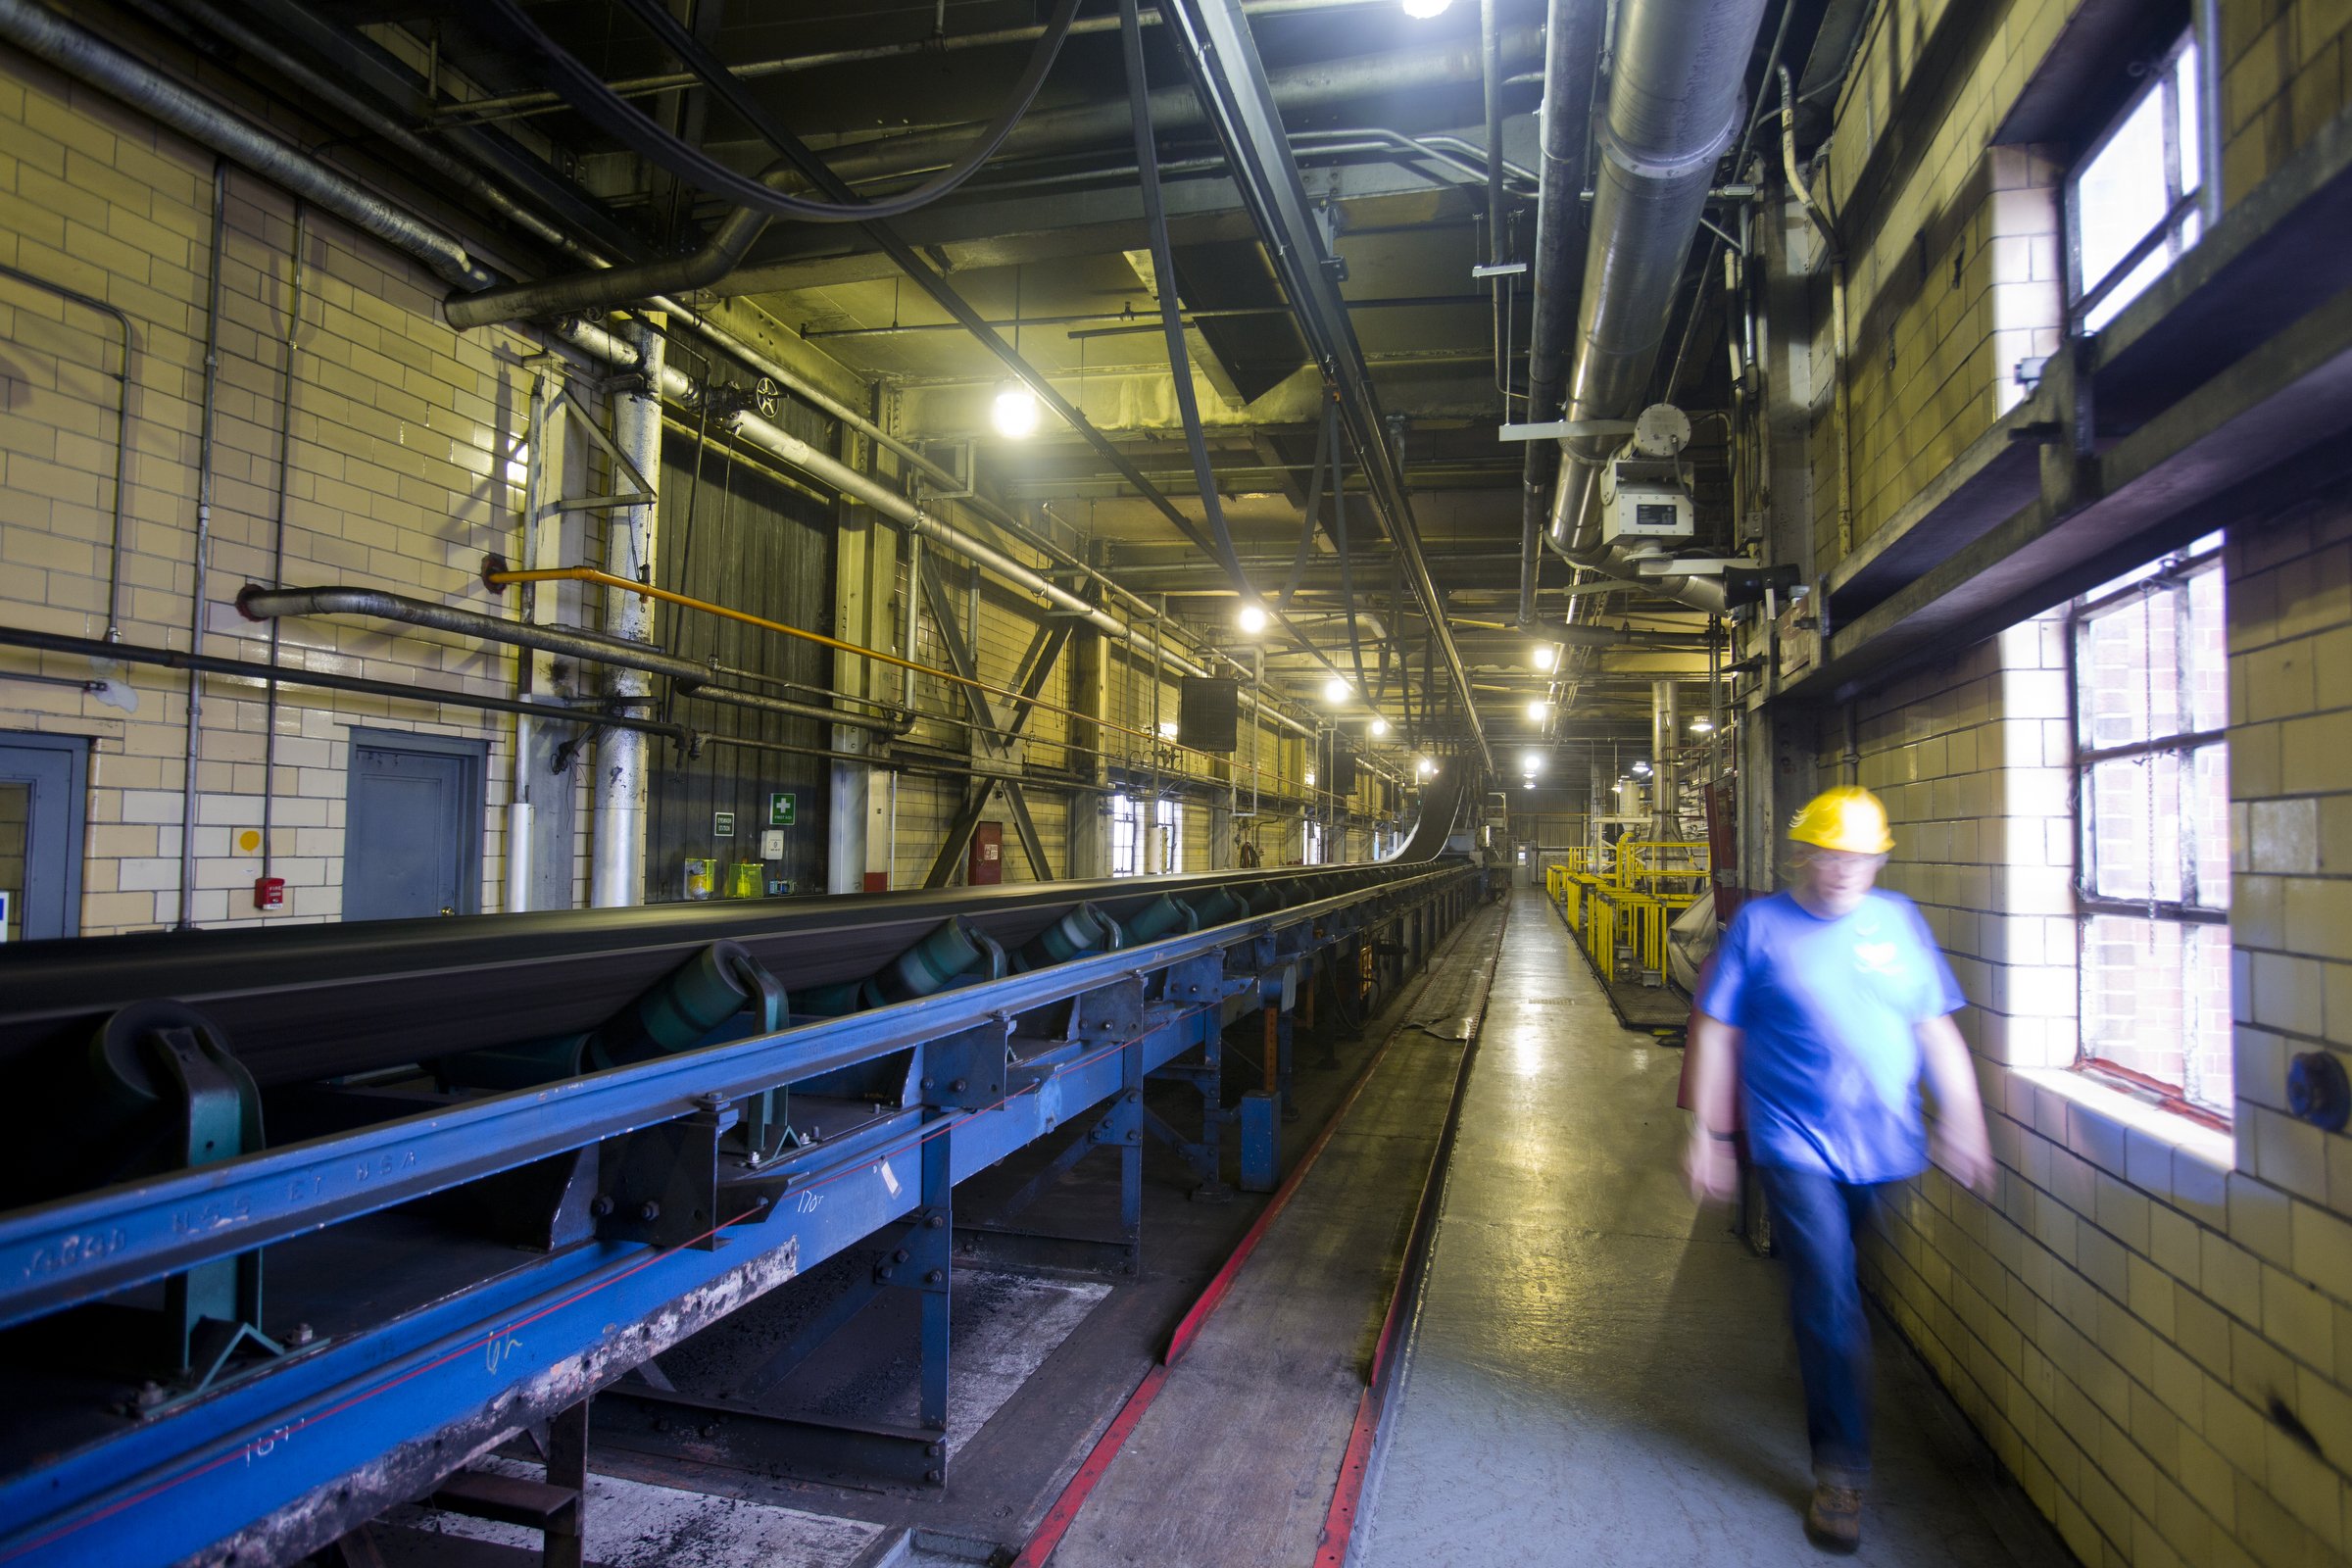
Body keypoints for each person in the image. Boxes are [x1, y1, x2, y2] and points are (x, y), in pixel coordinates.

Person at [1683, 786, 1992, 1554]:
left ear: (1880, 859)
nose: (1848, 869)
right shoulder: (1762, 926)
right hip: (1794, 1143)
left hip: (1884, 1147)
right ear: (1804, 855)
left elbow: (1935, 1029)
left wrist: (1965, 1117)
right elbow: (1717, 1029)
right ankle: (1841, 1474)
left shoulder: (1899, 921)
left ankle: (1823, 1354)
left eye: (1862, 856)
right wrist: (1710, 1134)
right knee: (1829, 1290)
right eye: (1832, 855)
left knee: (1836, 1289)